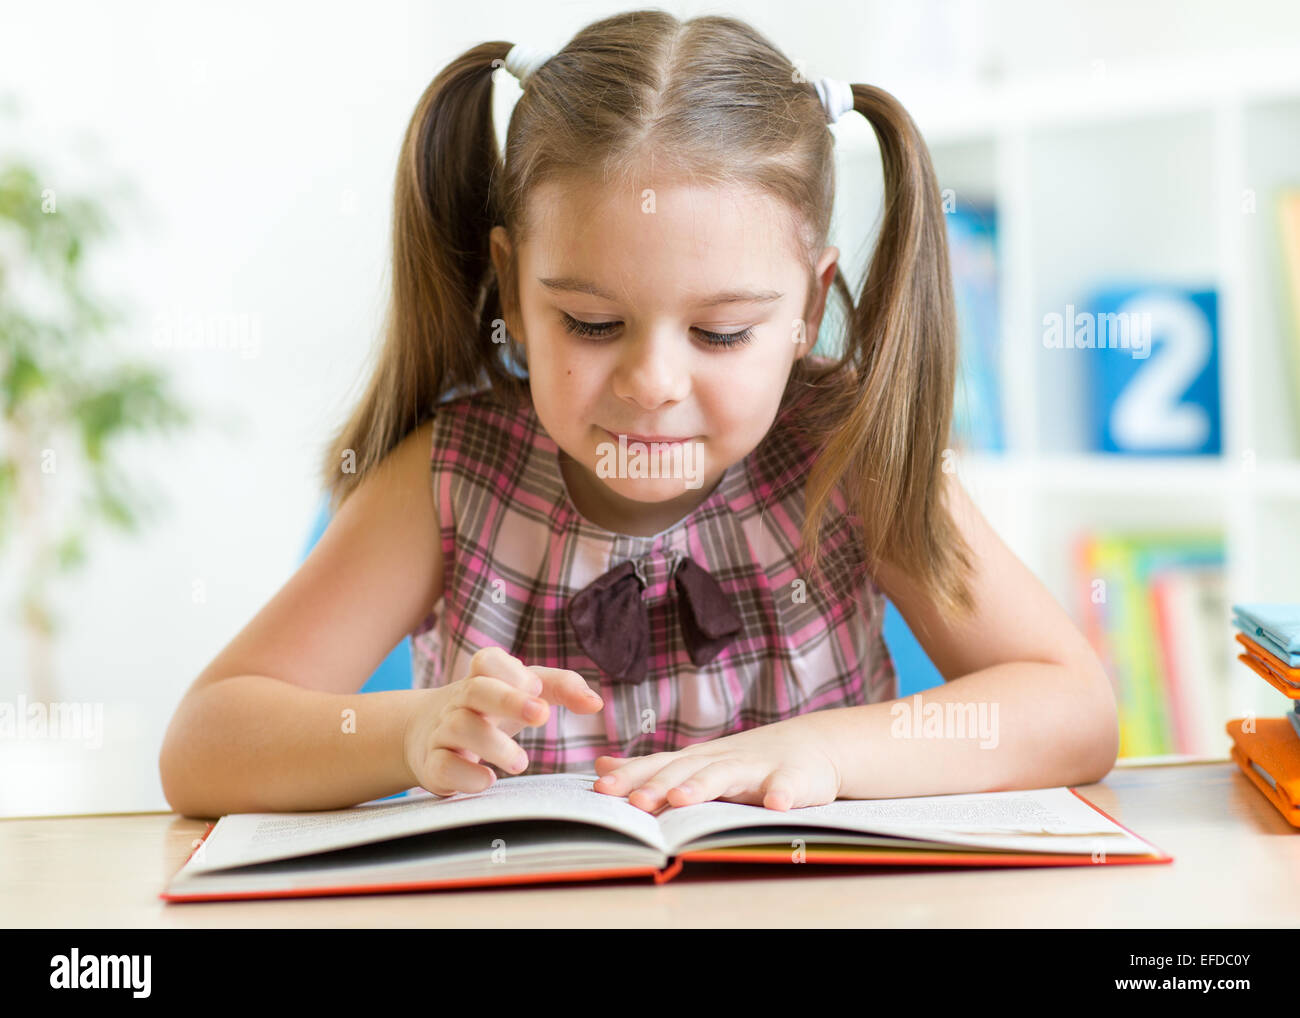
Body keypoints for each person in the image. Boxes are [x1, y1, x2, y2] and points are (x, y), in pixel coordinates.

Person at [159, 10, 1118, 820]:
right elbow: (206, 742)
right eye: (592, 322)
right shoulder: (448, 481)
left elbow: (1074, 709)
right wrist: (410, 730)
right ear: (512, 290)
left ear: (809, 309)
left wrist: (824, 753)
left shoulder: (851, 453)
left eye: (723, 333)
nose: (652, 382)